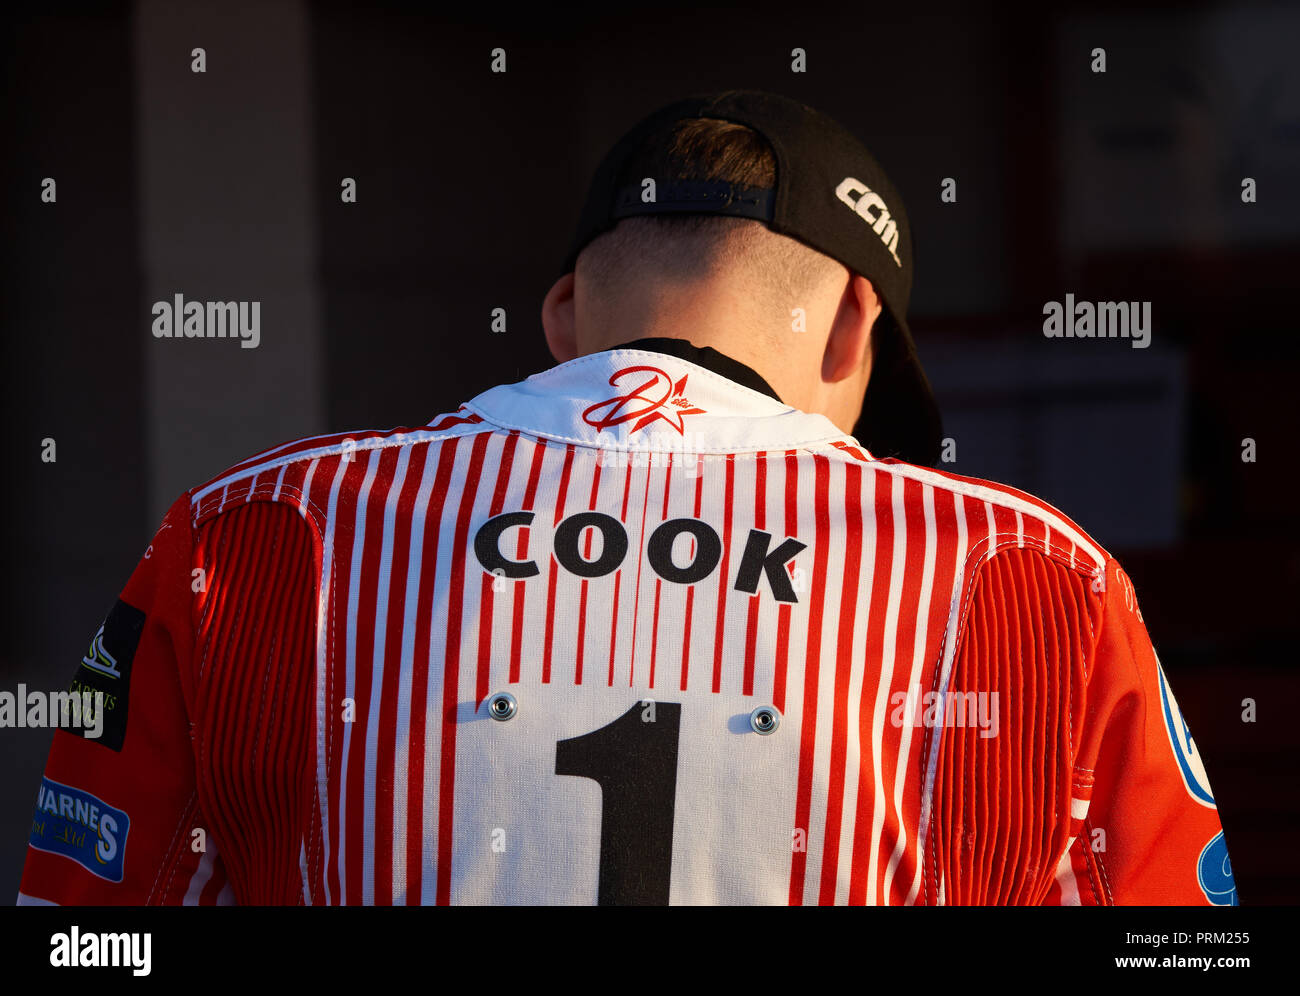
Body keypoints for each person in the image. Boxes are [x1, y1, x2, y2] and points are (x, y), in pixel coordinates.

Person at [18, 90, 1234, 906]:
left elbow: (83, 924)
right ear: (856, 324)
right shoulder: (1029, 571)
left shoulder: (248, 533)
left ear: (560, 320)